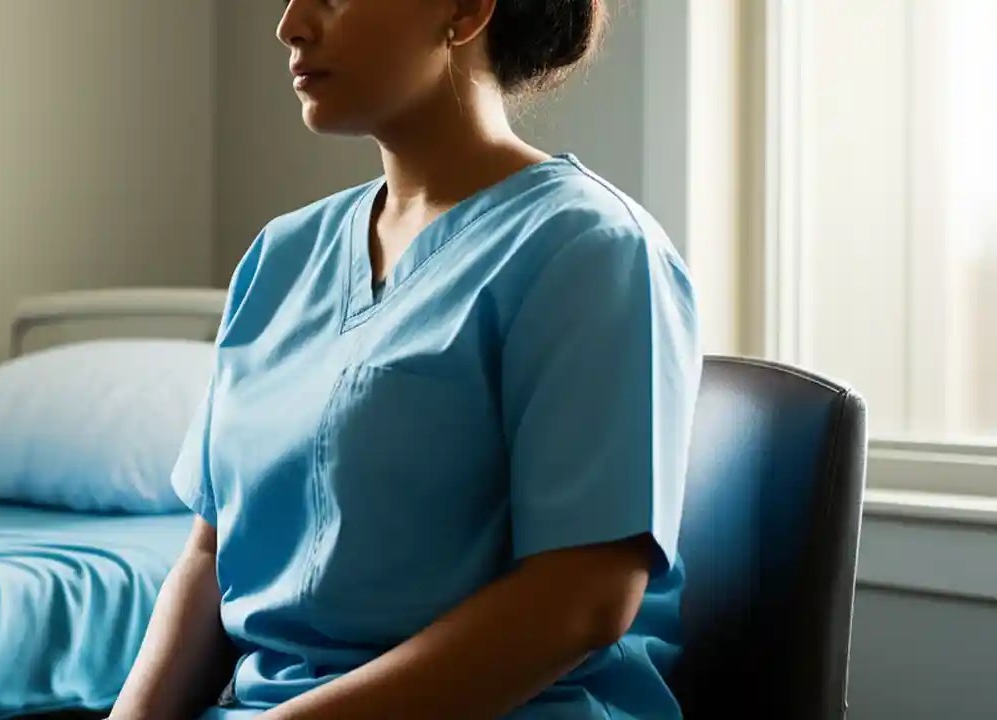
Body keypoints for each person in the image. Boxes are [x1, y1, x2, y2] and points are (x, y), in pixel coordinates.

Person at [109, 0, 700, 718]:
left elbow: (581, 601)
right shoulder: (280, 256)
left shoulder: (588, 250)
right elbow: (209, 559)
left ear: (464, 10)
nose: (290, 25)